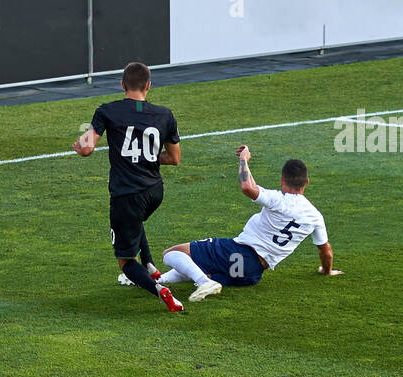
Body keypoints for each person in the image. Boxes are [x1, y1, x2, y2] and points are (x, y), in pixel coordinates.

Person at [72, 62, 185, 314]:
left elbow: (88, 147)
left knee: (125, 261)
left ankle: (160, 290)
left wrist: (78, 145)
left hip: (126, 194)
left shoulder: (107, 111)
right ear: (148, 86)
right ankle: (150, 265)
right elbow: (174, 158)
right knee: (135, 222)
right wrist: (148, 158)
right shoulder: (165, 114)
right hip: (155, 191)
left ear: (122, 85)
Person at [159, 147, 339, 304]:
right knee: (196, 267)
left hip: (238, 253)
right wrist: (327, 270)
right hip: (251, 274)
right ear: (306, 182)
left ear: (282, 180)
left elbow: (247, 187)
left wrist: (244, 159)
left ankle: (204, 282)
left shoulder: (278, 200)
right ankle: (157, 279)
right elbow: (326, 251)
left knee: (172, 254)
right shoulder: (316, 216)